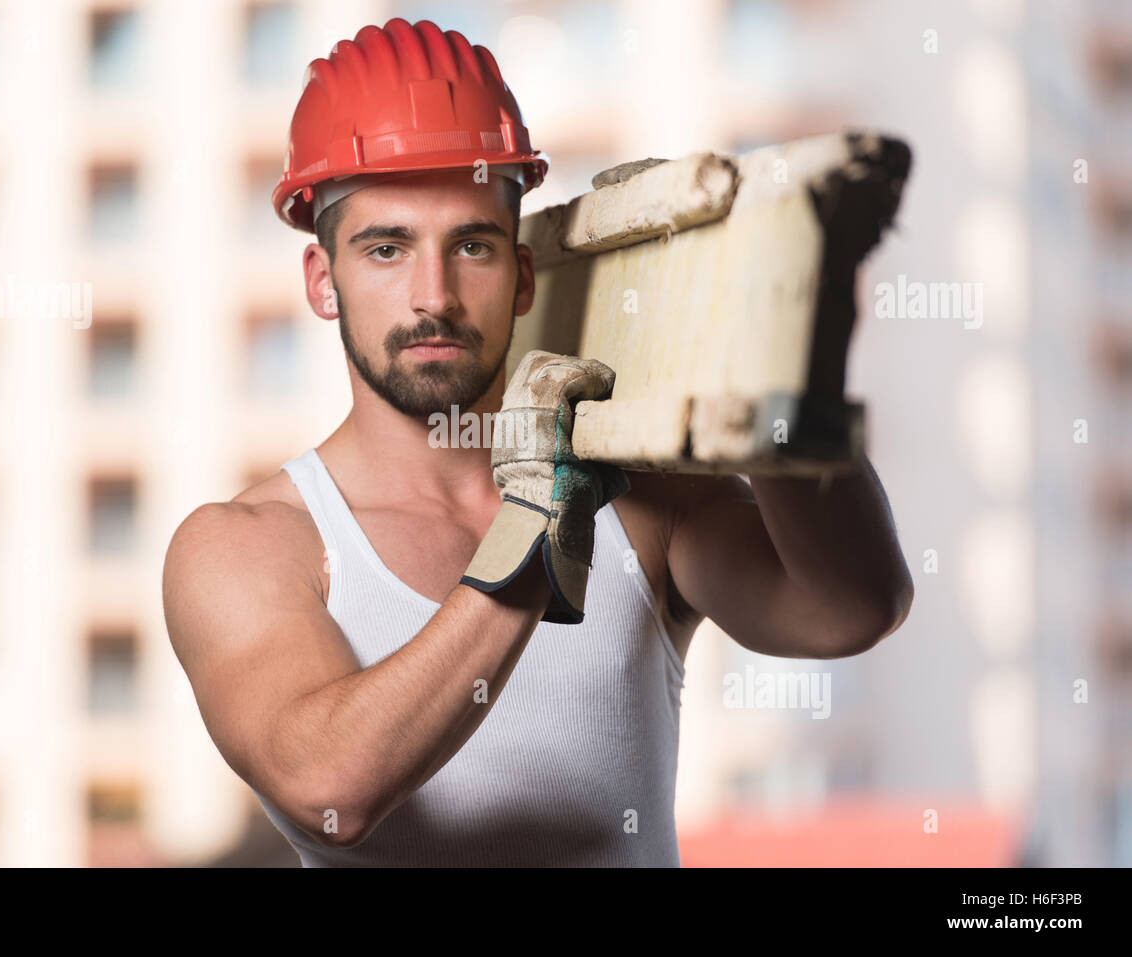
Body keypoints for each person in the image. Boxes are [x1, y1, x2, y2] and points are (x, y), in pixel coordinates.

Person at [161, 17, 913, 867]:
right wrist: (534, 531)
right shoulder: (246, 548)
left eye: (472, 245)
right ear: (322, 282)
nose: (433, 295)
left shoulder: (641, 502)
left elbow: (853, 608)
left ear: (521, 277)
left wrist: (778, 377)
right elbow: (329, 790)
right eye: (386, 248)